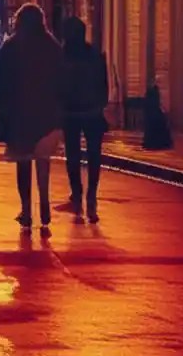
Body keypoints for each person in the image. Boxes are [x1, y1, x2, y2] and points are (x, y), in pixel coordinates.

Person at [0, 4, 64, 229]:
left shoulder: (11, 46)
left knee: (23, 163)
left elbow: (1, 79)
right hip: (46, 112)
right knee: (43, 161)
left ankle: (26, 208)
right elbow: (61, 79)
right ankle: (44, 203)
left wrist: (0, 104)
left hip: (19, 113)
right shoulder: (52, 46)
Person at [58, 17, 109, 223]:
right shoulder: (94, 54)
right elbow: (103, 83)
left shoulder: (62, 56)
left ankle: (77, 193)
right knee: (94, 155)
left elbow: (57, 85)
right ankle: (92, 196)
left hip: (70, 112)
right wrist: (100, 104)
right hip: (92, 111)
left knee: (73, 155)